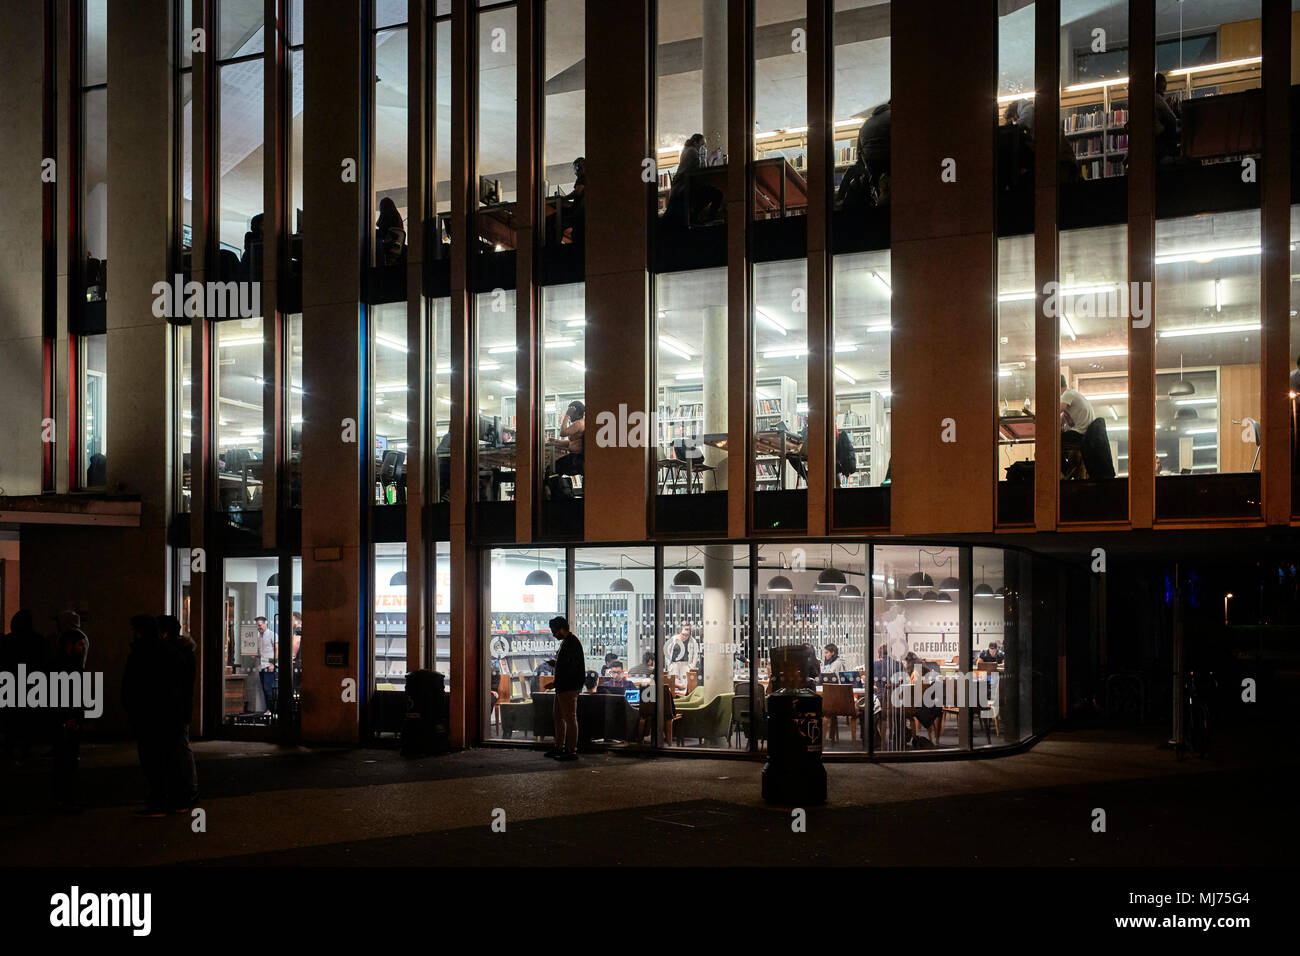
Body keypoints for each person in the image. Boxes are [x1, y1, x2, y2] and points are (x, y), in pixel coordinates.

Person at [121, 615, 184, 818]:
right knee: (170, 759)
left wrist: (130, 709)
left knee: (152, 761)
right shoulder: (171, 652)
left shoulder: (140, 653)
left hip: (148, 714)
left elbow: (131, 686)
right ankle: (176, 801)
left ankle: (157, 803)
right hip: (170, 714)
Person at [158, 614, 198, 811]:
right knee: (180, 747)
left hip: (176, 708)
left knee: (180, 748)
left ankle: (187, 791)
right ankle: (185, 790)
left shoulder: (175, 653)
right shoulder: (184, 651)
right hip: (180, 707)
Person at [49, 623, 89, 812]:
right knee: (67, 761)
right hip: (68, 720)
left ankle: (62, 798)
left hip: (65, 719)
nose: (83, 649)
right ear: (69, 645)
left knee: (64, 761)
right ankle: (64, 799)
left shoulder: (60, 664)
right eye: (80, 645)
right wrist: (71, 717)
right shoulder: (68, 667)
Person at [1, 610, 46, 762]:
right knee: (28, 719)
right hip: (31, 686)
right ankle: (25, 748)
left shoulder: (8, 641)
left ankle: (10, 748)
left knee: (11, 719)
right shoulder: (38, 641)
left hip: (11, 685)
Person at [544, 615, 583, 760]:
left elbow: (570, 669)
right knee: (559, 717)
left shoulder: (570, 643)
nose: (553, 634)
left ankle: (571, 750)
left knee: (569, 719)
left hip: (568, 687)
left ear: (561, 629)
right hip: (563, 687)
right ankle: (560, 747)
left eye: (554, 631)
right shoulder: (568, 642)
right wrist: (556, 664)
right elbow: (568, 665)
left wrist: (555, 683)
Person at [664, 133, 724, 227]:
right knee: (717, 194)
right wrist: (711, 157)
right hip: (686, 188)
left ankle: (696, 216)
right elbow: (702, 172)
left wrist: (712, 159)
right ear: (695, 142)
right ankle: (708, 220)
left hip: (683, 188)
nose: (703, 147)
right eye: (702, 144)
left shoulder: (687, 151)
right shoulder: (693, 152)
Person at [1155, 72, 1182, 163]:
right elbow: (1172, 117)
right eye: (1164, 83)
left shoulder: (1154, 98)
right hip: (1162, 143)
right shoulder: (1156, 98)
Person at [254, 616, 278, 714]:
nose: (258, 627)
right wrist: (256, 655)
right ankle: (269, 710)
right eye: (257, 626)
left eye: (259, 625)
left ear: (265, 624)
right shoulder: (259, 637)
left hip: (269, 666)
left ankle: (273, 711)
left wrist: (273, 663)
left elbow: (277, 649)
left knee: (269, 689)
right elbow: (262, 653)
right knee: (264, 689)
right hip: (262, 666)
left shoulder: (272, 634)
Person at [376, 196, 406, 266]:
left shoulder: (386, 215)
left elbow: (383, 233)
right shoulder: (397, 216)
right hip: (397, 247)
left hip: (389, 245)